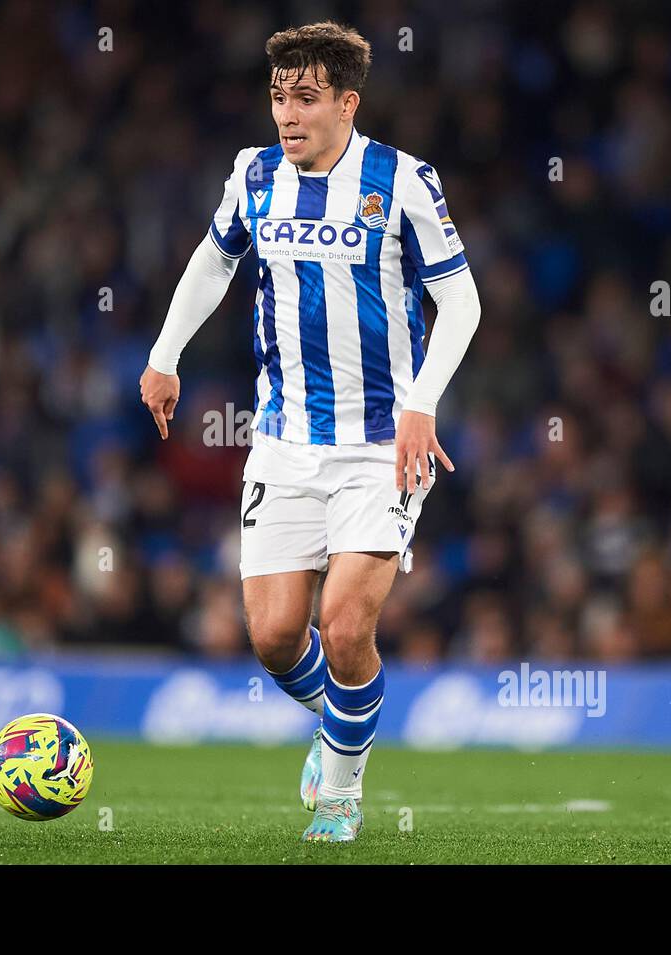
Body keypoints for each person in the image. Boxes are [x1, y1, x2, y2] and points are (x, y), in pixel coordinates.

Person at [139, 21, 481, 842]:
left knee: (348, 624)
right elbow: (214, 260)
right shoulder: (254, 175)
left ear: (346, 102)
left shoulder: (402, 180)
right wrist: (164, 354)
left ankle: (340, 792)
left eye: (304, 98)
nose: (286, 115)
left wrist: (421, 402)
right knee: (272, 634)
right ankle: (338, 721)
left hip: (380, 444)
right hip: (284, 441)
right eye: (277, 97)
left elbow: (462, 301)